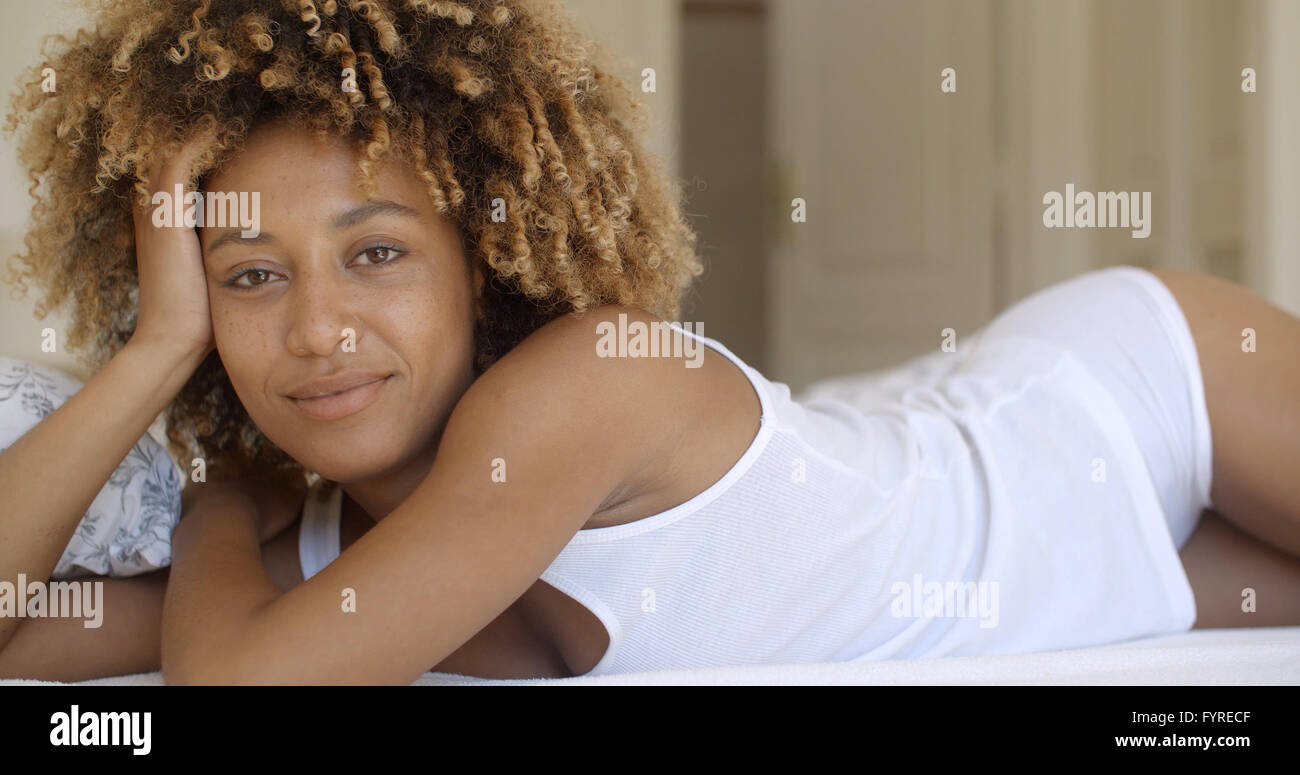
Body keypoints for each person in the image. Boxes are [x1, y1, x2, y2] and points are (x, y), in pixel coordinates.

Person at [1, 0, 1297, 684]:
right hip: (1113, 578)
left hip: (1126, 403)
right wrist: (153, 351)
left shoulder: (573, 396)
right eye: (248, 276)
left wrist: (220, 495)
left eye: (377, 251)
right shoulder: (310, 558)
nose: (318, 327)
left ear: (482, 259)